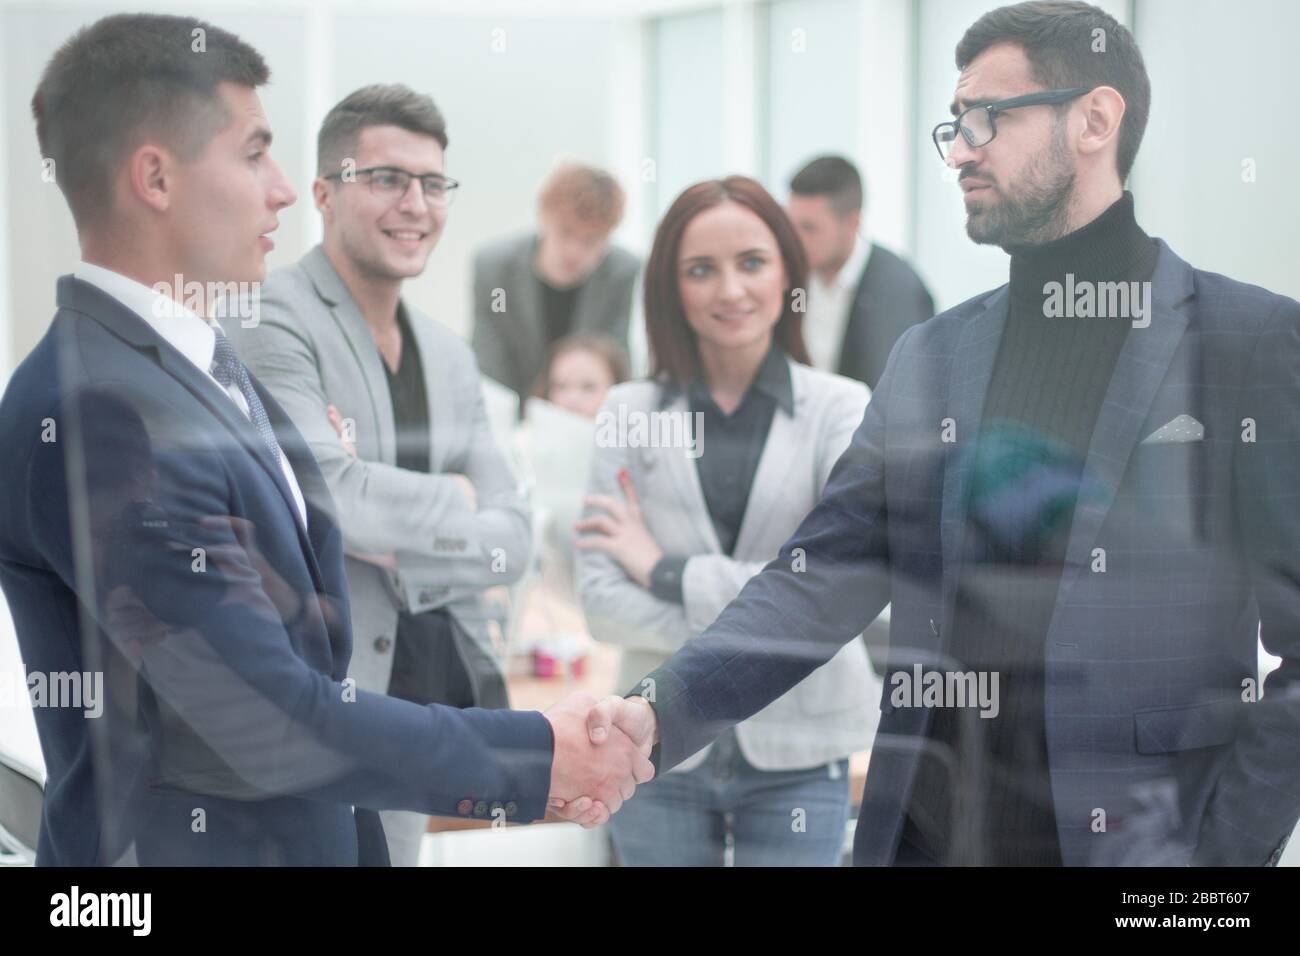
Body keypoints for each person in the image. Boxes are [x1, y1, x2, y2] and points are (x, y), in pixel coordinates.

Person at [575, 0, 1300, 867]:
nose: (961, 149)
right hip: (926, 834)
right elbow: (820, 579)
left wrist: (1220, 860)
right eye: (953, 125)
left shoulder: (1247, 340)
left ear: (1095, 119)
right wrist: (656, 711)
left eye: (988, 118)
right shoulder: (933, 354)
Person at [0, 13, 649, 866]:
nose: (279, 189)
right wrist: (538, 752)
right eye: (254, 152)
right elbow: (267, 720)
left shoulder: (198, 362)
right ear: (155, 177)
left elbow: (292, 620)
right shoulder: (106, 410)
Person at [224, 84, 528, 866]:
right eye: (388, 179)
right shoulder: (272, 316)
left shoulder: (450, 355)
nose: (415, 205)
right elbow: (333, 502)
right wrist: (455, 501)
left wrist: (391, 529)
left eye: (433, 184)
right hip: (312, 700)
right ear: (323, 194)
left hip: (416, 702)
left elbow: (517, 538)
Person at [573, 176, 877, 866]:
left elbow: (838, 589)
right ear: (669, 288)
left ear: (786, 274)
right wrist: (773, 625)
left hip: (803, 744)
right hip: (651, 744)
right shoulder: (628, 409)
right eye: (700, 270)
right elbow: (598, 604)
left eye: (751, 263)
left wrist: (662, 570)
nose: (730, 290)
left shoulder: (843, 409)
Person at [471, 163, 639, 407]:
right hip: (510, 414)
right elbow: (490, 359)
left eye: (591, 240)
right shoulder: (496, 269)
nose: (575, 251)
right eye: (566, 233)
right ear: (543, 217)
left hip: (586, 420)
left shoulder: (620, 272)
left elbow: (614, 362)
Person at [787, 155, 934, 390]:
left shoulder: (898, 290)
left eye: (809, 228)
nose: (794, 240)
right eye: (790, 225)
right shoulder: (789, 276)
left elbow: (900, 395)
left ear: (852, 223)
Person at [531, 334, 628, 421]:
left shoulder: (635, 437)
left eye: (588, 387)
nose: (572, 400)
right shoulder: (523, 439)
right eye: (561, 386)